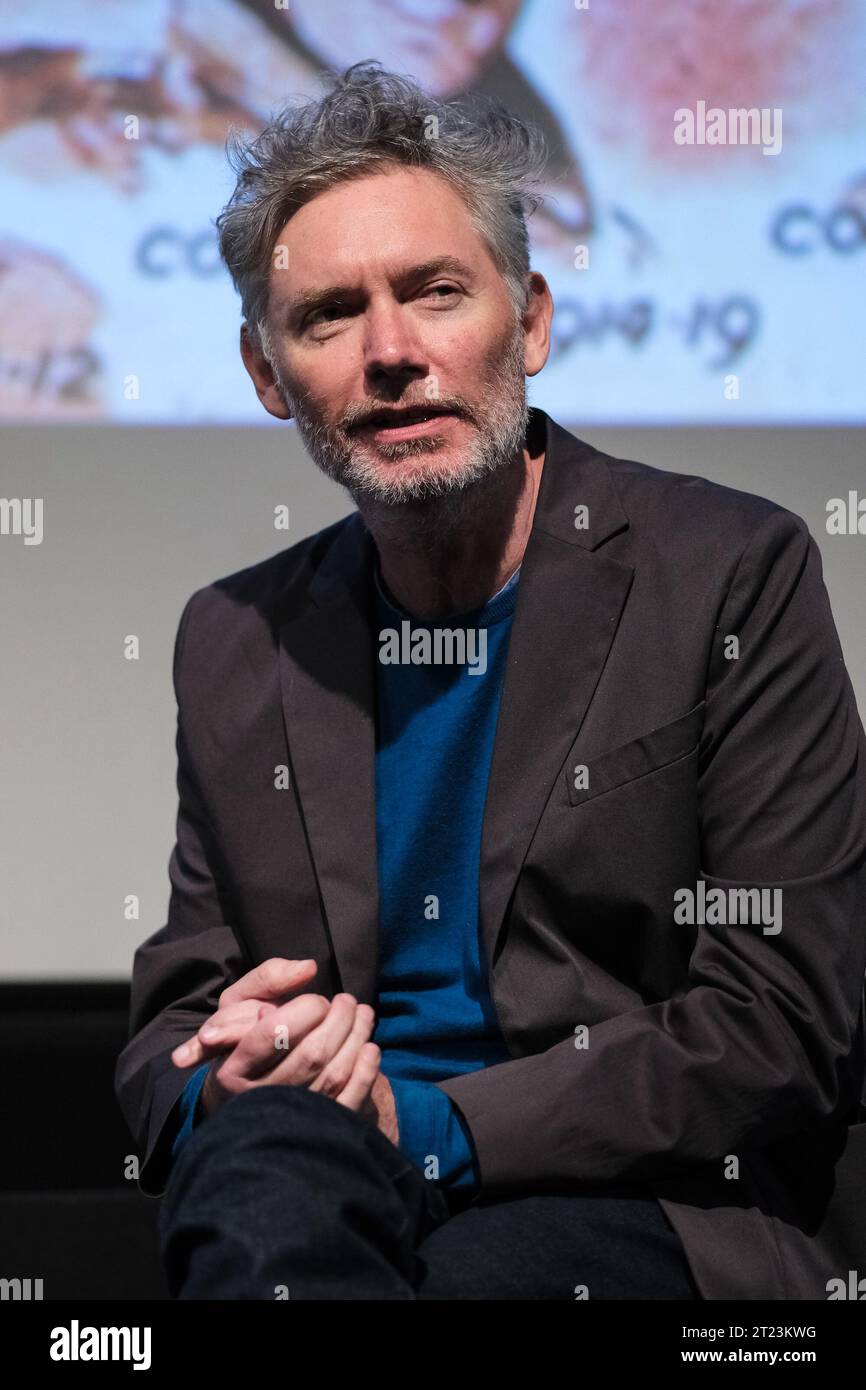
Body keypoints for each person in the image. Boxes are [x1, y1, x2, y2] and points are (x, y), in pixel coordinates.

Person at [115, 62, 866, 1301]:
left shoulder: (726, 572)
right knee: (262, 1194)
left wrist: (434, 1127)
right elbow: (177, 1015)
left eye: (434, 292)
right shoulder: (237, 633)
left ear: (529, 321)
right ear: (265, 375)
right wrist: (219, 1071)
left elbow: (780, 1021)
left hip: (629, 1195)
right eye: (329, 318)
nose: (393, 354)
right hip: (312, 1169)